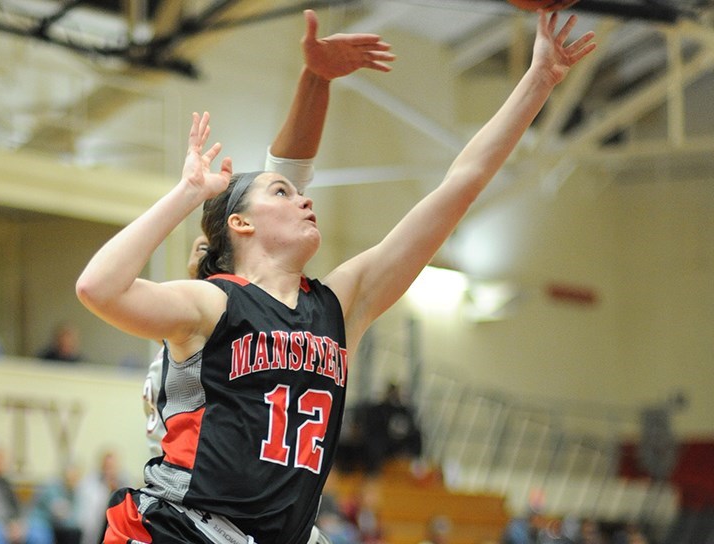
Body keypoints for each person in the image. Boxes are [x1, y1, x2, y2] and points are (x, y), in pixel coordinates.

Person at [76, 9, 595, 544]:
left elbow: (459, 186)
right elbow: (97, 287)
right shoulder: (212, 304)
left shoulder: (338, 306)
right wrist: (187, 193)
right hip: (181, 528)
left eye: (298, 192)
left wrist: (538, 80)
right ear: (240, 222)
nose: (304, 197)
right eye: (283, 192)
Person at [141, 7, 397, 460]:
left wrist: (316, 78)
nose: (200, 258)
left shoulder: (278, 308)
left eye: (205, 247)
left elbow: (287, 171)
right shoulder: (196, 326)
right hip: (198, 512)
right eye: (199, 251)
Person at [28, 462, 85, 544]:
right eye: (71, 476)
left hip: (57, 526)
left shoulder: (74, 491)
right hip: (41, 524)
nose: (73, 479)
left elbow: (74, 517)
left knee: (76, 532)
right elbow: (59, 515)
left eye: (76, 476)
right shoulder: (53, 489)